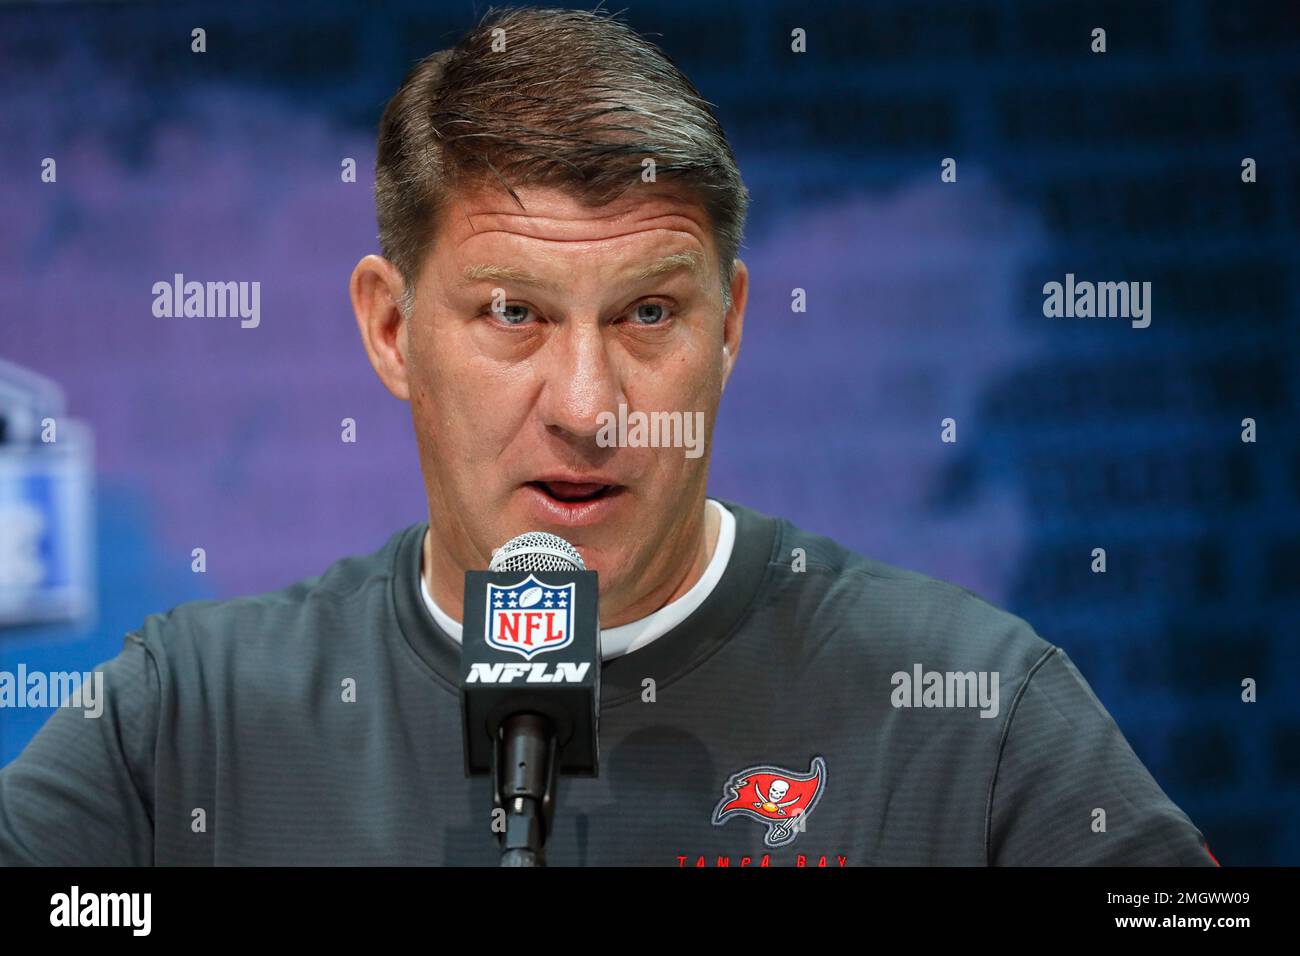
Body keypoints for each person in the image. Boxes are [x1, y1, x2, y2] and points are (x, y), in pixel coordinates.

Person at [0, 6, 1216, 866]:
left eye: (647, 313)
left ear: (728, 326)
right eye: (512, 314)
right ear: (391, 328)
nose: (588, 405)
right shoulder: (189, 718)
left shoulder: (973, 707)